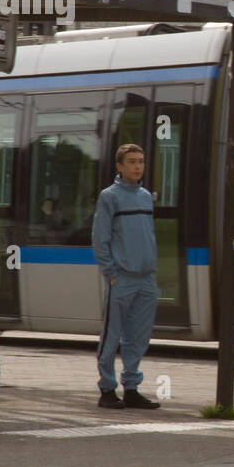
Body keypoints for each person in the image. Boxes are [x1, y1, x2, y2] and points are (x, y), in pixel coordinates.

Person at [91, 143, 161, 410]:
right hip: (121, 278)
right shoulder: (109, 196)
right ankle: (107, 389)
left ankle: (131, 388)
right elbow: (100, 238)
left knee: (138, 337)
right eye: (131, 161)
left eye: (141, 161)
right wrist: (110, 273)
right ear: (119, 166)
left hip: (146, 279)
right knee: (111, 335)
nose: (138, 166)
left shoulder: (145, 197)